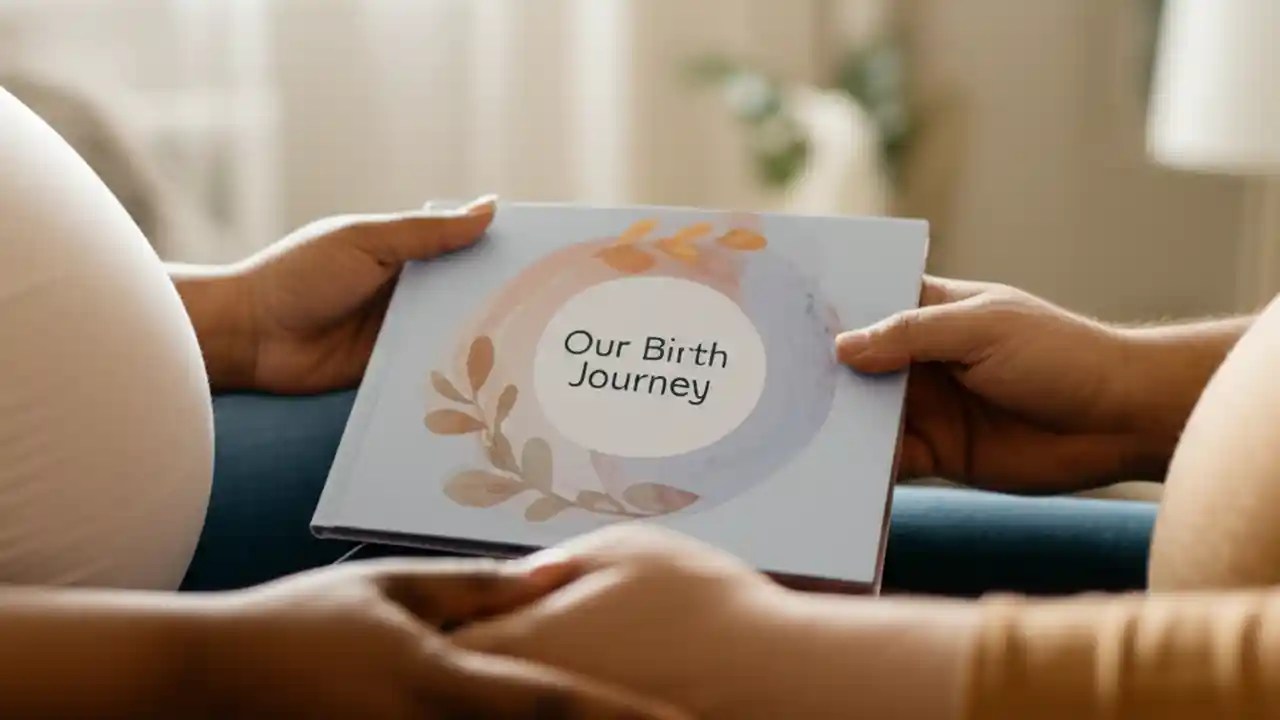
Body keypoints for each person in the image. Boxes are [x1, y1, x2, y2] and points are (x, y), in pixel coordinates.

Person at [0, 87, 686, 718]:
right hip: (88, 646)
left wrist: (239, 319)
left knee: (616, 457)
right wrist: (196, 663)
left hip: (145, 513)